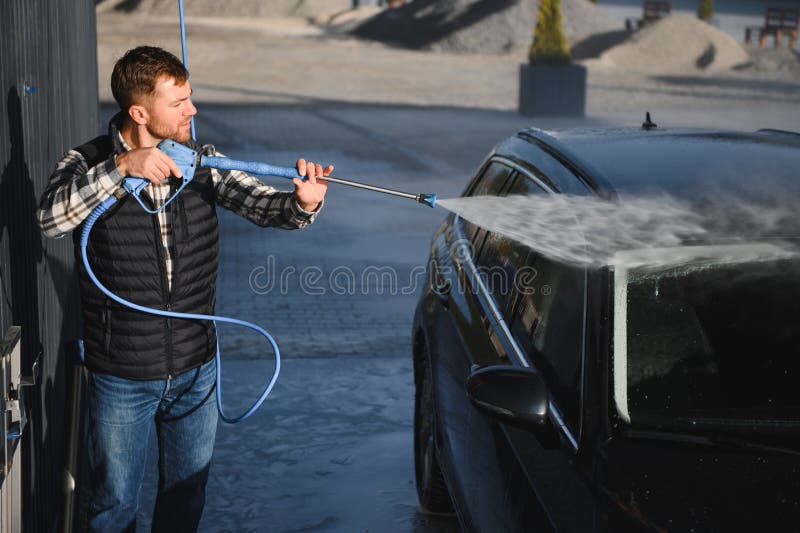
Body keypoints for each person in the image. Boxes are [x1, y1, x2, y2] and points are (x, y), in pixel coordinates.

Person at [36, 46, 331, 532]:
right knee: (113, 506)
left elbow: (262, 204)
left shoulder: (201, 160)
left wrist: (303, 203)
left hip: (197, 370)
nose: (192, 110)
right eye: (178, 103)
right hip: (123, 375)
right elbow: (50, 220)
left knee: (186, 498)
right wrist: (121, 168)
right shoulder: (88, 161)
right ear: (139, 112)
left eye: (190, 97)